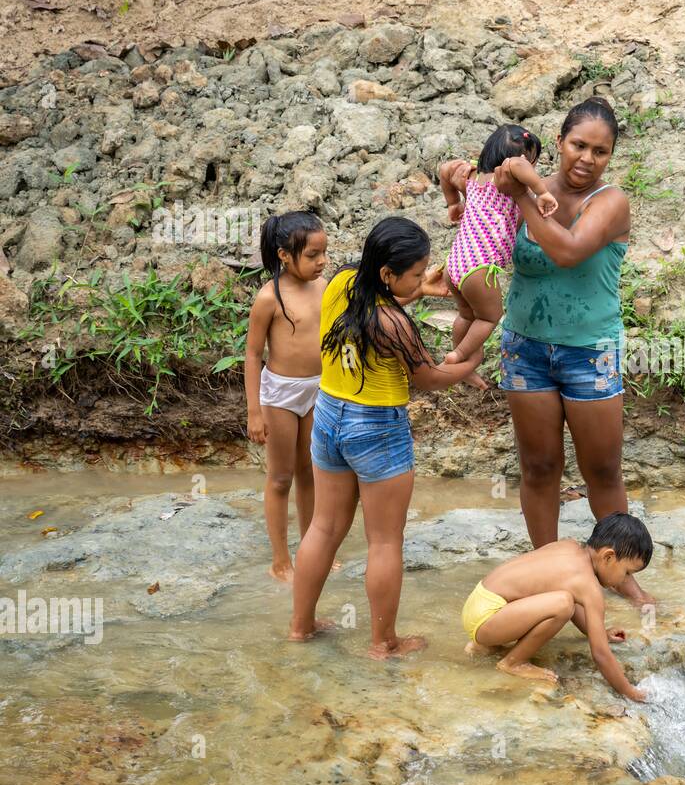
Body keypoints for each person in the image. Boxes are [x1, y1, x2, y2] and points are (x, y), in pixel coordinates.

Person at [433, 97, 653, 606]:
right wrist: (468, 190)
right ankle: (552, 566)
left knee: (602, 471)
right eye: (578, 144)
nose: (587, 158)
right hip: (525, 348)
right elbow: (474, 223)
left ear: (610, 157)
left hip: (590, 352)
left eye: (601, 150)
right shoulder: (519, 189)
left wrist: (523, 197)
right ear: (558, 142)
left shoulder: (609, 201)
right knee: (538, 468)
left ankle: (621, 576)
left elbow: (569, 249)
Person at [289, 216, 478, 658]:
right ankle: (384, 643)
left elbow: (376, 307)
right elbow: (428, 379)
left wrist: (416, 290)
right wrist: (470, 367)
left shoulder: (342, 281)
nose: (422, 279)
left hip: (330, 413)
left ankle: (301, 628)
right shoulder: (392, 322)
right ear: (388, 274)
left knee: (324, 526)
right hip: (376, 427)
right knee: (386, 540)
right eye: (416, 274)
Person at [462, 512, 650, 700]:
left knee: (563, 599)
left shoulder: (568, 545)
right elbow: (600, 654)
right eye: (627, 573)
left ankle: (483, 644)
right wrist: (629, 691)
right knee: (563, 604)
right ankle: (513, 662)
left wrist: (600, 632)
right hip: (488, 619)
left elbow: (570, 598)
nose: (625, 580)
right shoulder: (588, 586)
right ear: (608, 557)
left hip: (480, 604)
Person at [243, 212, 330, 583]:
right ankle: (280, 559)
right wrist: (254, 412)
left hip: (318, 388)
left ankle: (311, 550)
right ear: (284, 255)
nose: (322, 261)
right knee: (281, 478)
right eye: (312, 255)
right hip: (279, 394)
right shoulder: (268, 298)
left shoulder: (324, 286)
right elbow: (252, 354)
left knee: (310, 471)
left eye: (324, 253)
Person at [437, 124, 557, 370]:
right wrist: (542, 192)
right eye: (531, 163)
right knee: (489, 317)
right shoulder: (508, 180)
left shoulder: (471, 178)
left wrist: (452, 203)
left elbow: (444, 169)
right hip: (480, 268)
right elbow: (518, 166)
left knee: (466, 315)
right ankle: (460, 356)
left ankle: (458, 358)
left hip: (454, 265)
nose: (530, 170)